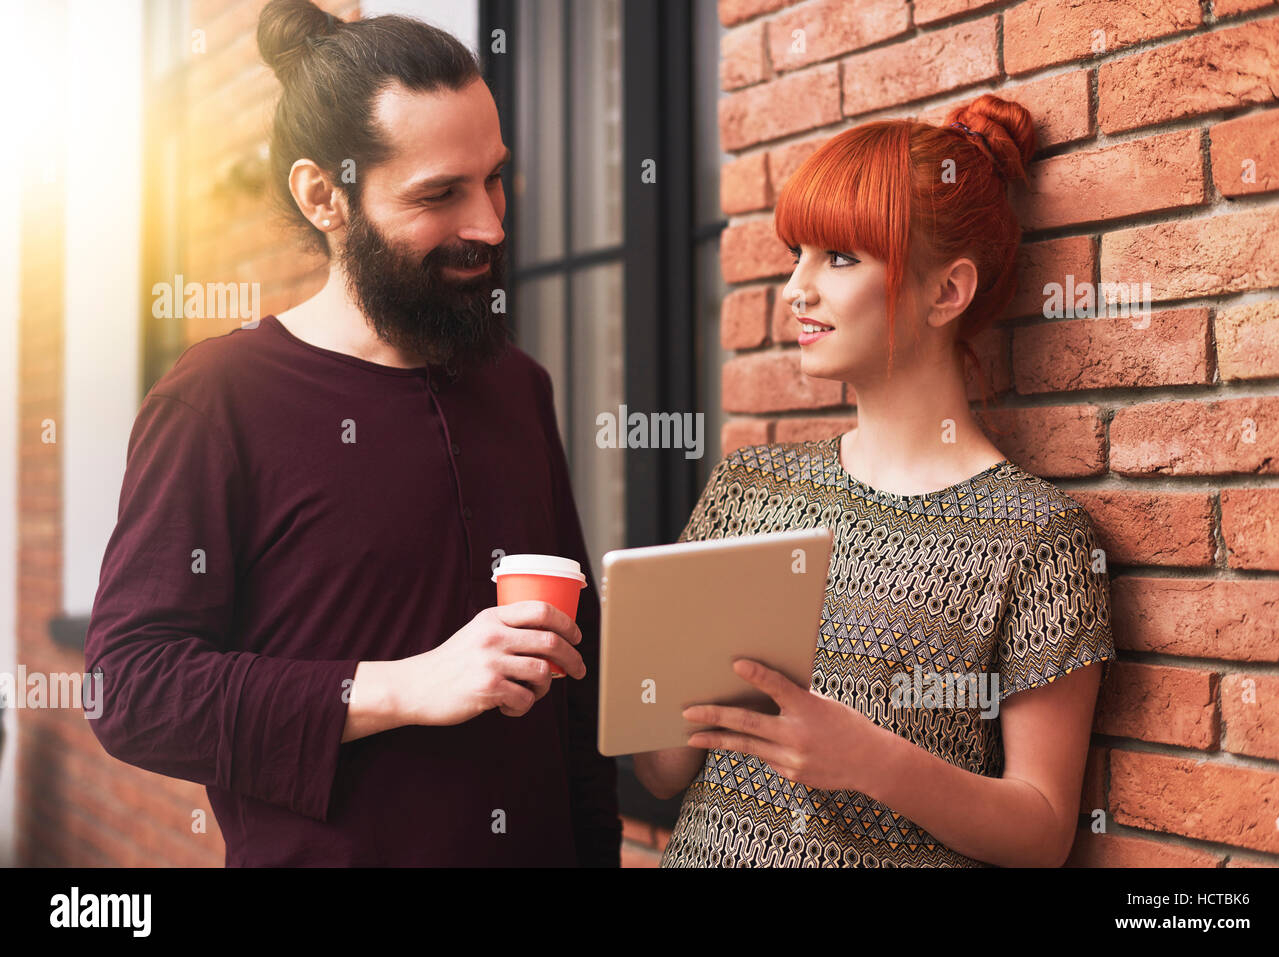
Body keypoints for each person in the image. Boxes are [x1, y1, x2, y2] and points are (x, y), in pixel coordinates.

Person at [83, 0, 620, 867]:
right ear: (323, 195)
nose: (488, 223)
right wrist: (405, 686)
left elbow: (575, 696)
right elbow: (130, 686)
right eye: (440, 194)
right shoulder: (217, 400)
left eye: (493, 178)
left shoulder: (520, 386)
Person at [638, 94, 1116, 868]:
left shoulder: (1037, 540)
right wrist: (649, 674)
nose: (797, 288)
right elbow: (664, 774)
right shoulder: (751, 490)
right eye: (798, 253)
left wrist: (870, 760)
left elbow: (1044, 829)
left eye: (840, 258)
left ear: (946, 292)